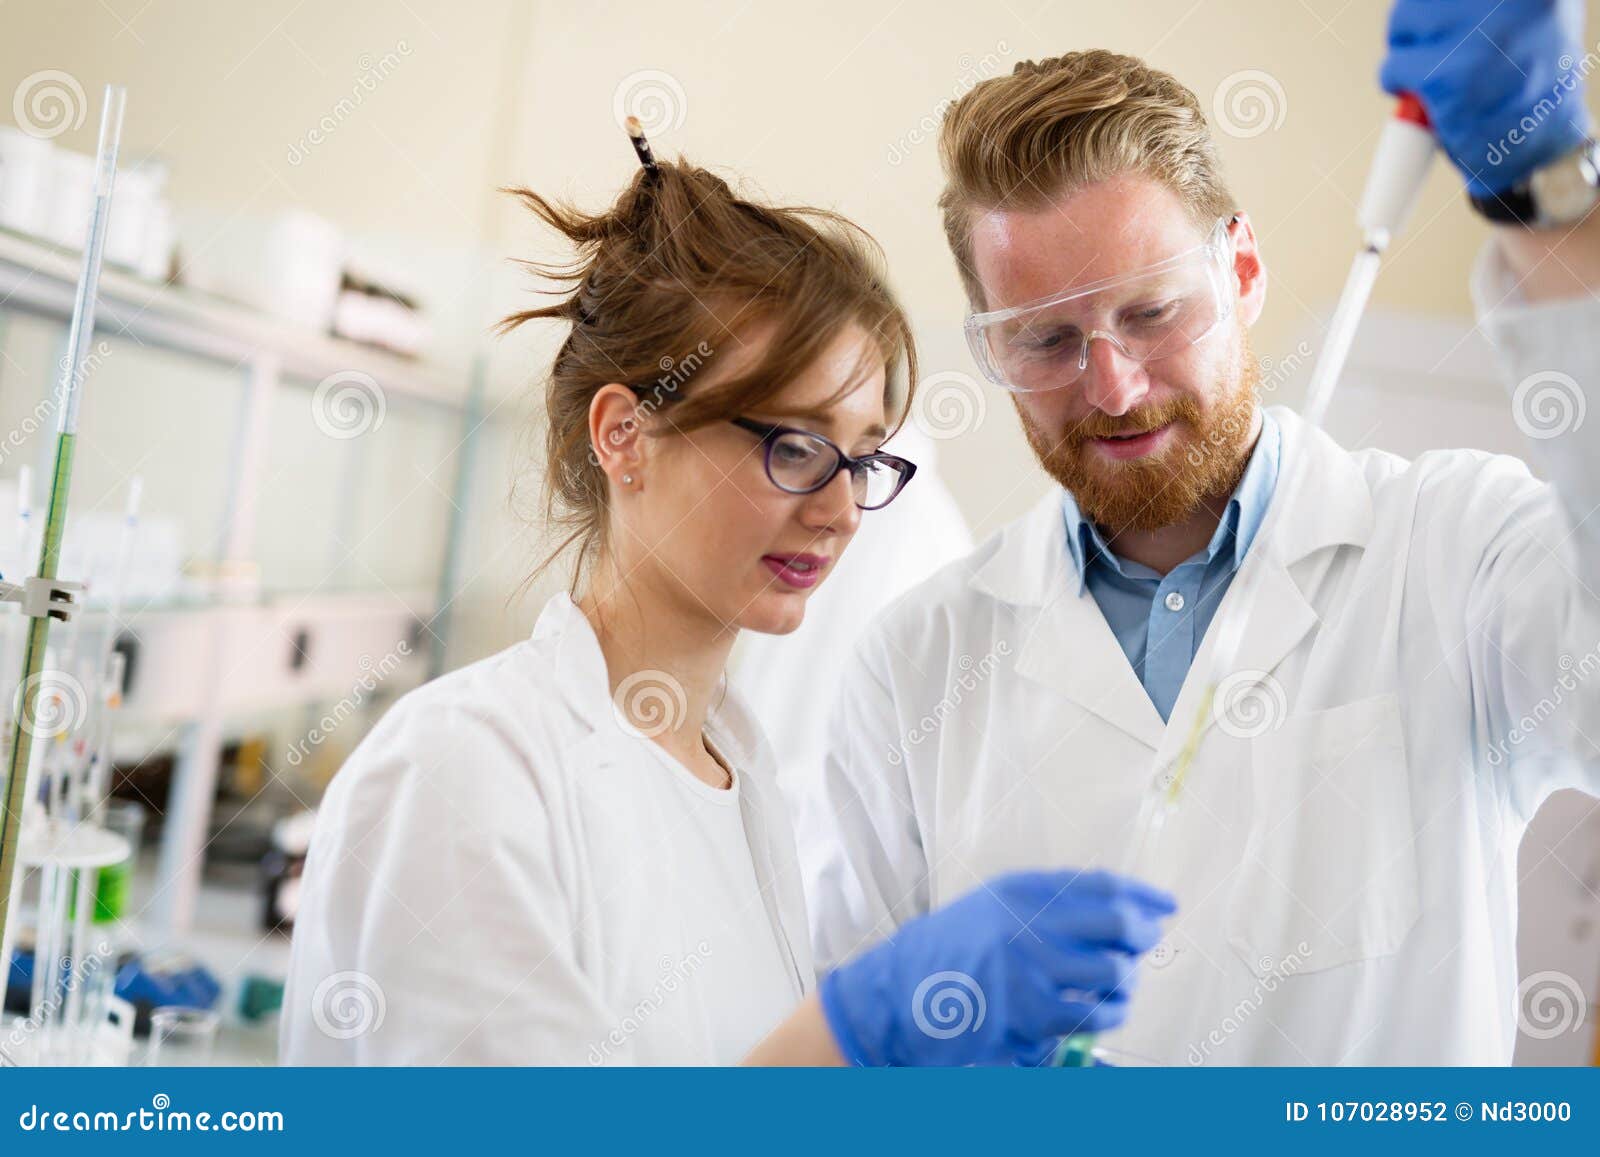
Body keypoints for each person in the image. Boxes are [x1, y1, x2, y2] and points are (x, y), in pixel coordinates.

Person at [279, 129, 1175, 1066]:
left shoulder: (740, 779)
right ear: (624, 434)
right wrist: (853, 1032)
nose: (839, 509)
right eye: (794, 445)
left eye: (864, 457)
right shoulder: (465, 770)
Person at [811, 4, 1600, 1065]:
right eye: (1046, 338)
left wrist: (1550, 203)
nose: (1114, 386)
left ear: (1240, 271)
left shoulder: (1451, 548)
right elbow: (844, 1073)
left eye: (1149, 312)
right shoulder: (915, 665)